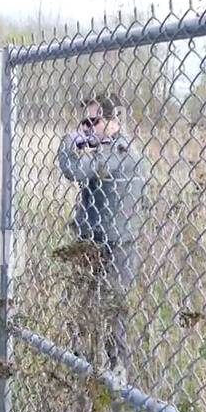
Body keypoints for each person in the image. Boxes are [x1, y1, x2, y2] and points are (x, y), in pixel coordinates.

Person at [57, 93, 147, 387]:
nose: (86, 129)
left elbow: (74, 170)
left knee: (112, 311)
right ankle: (81, 366)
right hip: (95, 243)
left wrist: (68, 144)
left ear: (113, 121)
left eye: (93, 122)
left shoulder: (118, 151)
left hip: (115, 247)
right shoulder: (108, 150)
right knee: (83, 306)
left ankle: (116, 376)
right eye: (83, 123)